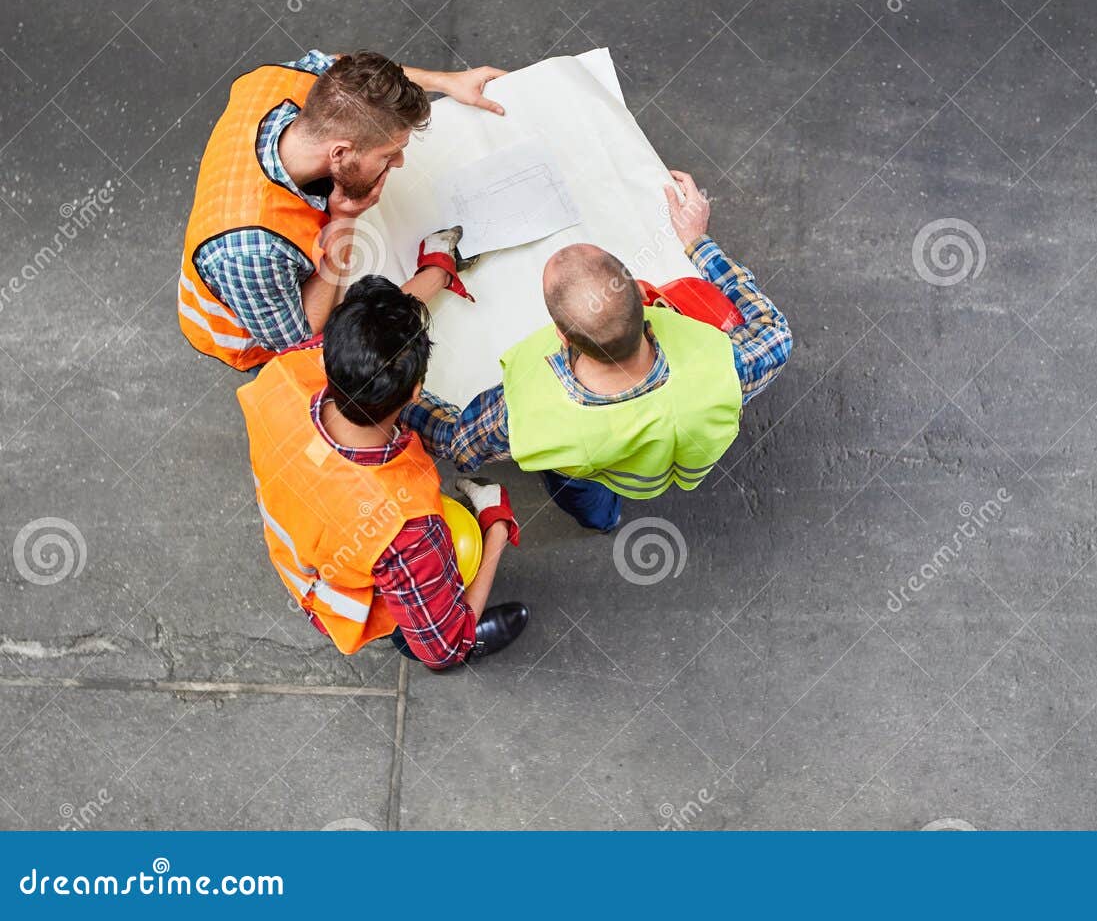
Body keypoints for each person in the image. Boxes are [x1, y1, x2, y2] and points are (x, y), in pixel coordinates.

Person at [403, 170, 792, 531]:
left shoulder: (521, 411)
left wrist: (393, 386)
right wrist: (696, 241)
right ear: (644, 295)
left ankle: (605, 520)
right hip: (678, 462)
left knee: (587, 499)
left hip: (586, 470)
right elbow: (774, 332)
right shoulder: (729, 365)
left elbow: (456, 441)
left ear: (562, 335)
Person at [238, 276, 529, 669]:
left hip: (300, 545)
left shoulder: (284, 373)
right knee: (437, 639)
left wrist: (433, 276)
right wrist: (495, 525)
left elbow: (354, 339)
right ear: (415, 393)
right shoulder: (407, 532)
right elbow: (442, 650)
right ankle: (440, 632)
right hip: (347, 602)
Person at [180, 49, 500, 370]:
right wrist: (344, 221)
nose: (399, 163)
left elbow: (348, 73)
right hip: (247, 331)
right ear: (340, 153)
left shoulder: (276, 83)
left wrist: (445, 82)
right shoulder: (251, 251)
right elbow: (302, 340)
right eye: (389, 155)